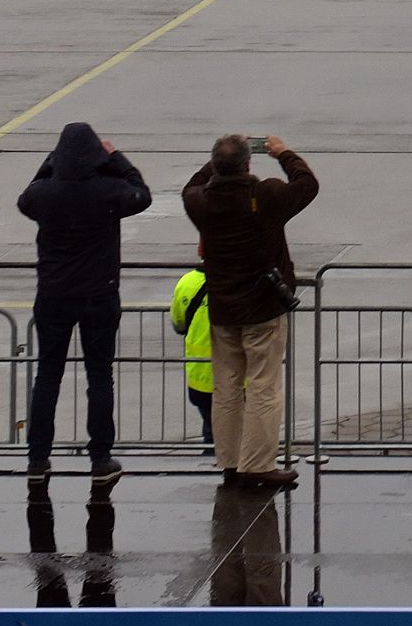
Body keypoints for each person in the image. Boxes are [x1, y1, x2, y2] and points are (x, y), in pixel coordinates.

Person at [18, 122, 153, 488]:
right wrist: (114, 159)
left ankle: (38, 457)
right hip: (99, 293)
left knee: (47, 376)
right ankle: (100, 457)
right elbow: (142, 193)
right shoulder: (109, 191)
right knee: (99, 376)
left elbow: (25, 197)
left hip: (54, 295)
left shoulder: (43, 194)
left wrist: (52, 163)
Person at [182, 133, 317, 490]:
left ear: (216, 166)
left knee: (226, 387)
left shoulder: (201, 202)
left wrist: (220, 162)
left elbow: (192, 185)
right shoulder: (266, 195)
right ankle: (256, 465)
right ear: (248, 164)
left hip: (223, 309)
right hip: (263, 306)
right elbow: (307, 184)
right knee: (263, 387)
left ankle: (229, 460)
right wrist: (283, 152)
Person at [170, 265, 214, 443]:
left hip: (200, 376)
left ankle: (211, 456)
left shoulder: (187, 282)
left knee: (210, 424)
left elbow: (178, 323)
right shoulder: (239, 278)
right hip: (238, 378)